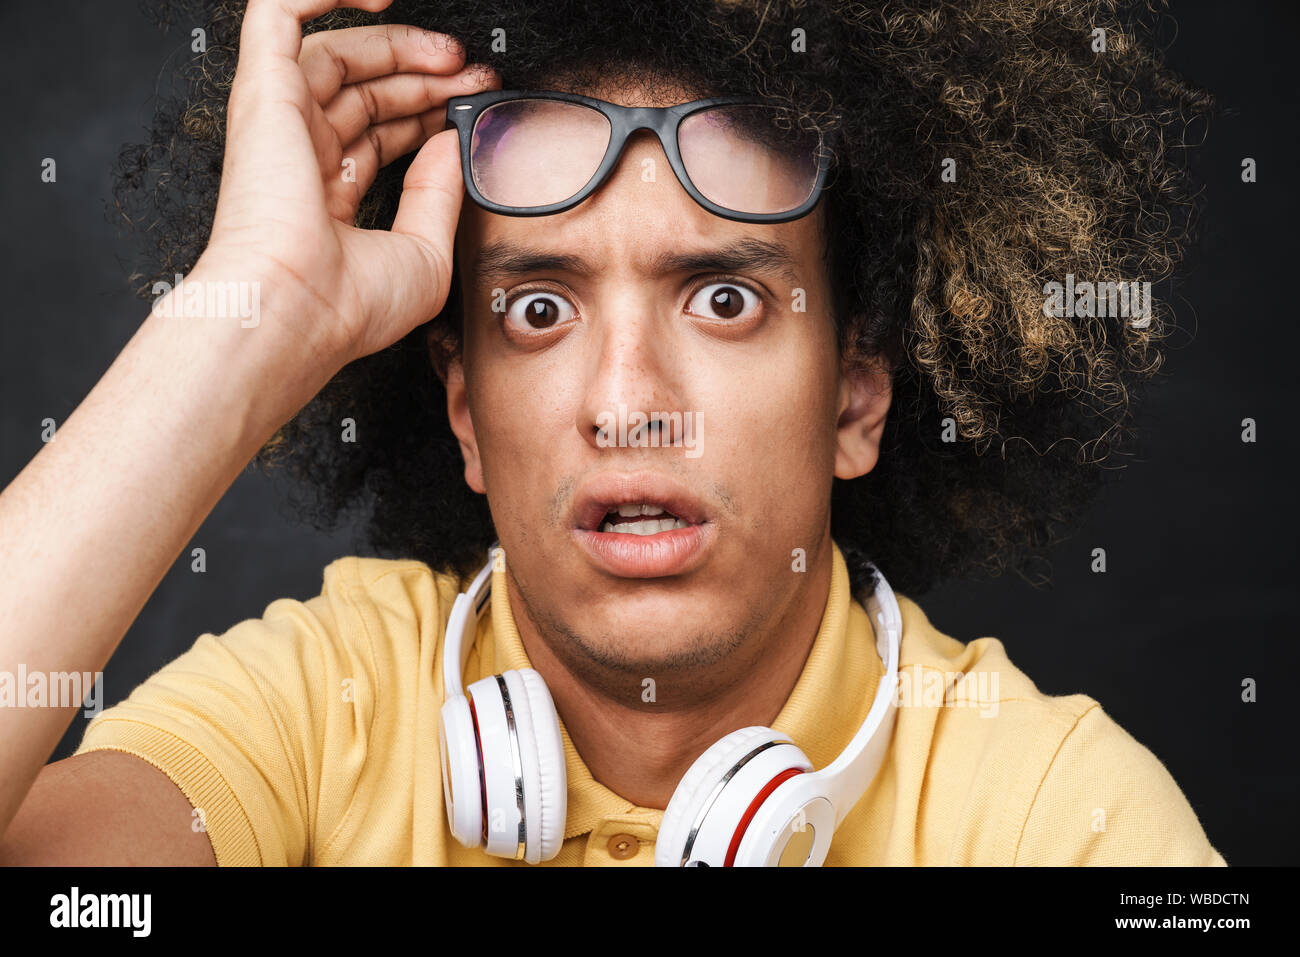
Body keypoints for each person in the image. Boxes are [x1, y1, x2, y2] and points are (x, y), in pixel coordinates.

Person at [0, 0, 1226, 865]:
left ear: (854, 399)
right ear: (466, 416)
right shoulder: (326, 710)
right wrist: (251, 313)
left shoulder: (1057, 817)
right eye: (539, 308)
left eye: (725, 298)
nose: (626, 397)